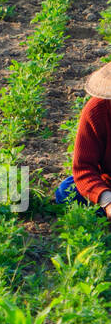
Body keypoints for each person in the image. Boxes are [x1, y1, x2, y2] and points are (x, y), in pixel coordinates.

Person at [56, 62, 111, 222]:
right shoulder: (97, 111)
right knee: (67, 191)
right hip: (108, 183)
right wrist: (107, 201)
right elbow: (84, 168)